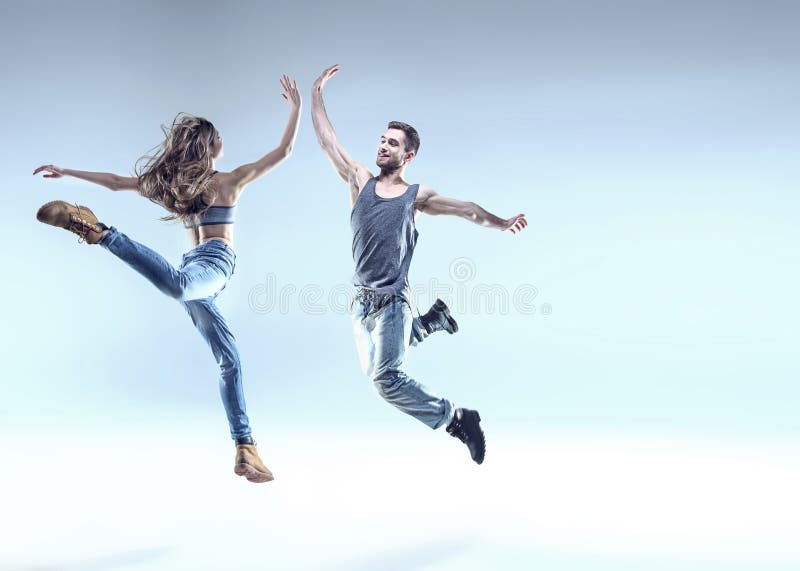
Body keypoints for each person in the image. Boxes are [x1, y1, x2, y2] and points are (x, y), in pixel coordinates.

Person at [34, 75, 302, 483]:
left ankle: (246, 448)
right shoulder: (229, 181)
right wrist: (296, 108)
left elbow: (116, 181)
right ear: (213, 146)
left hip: (196, 269)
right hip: (211, 266)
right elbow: (283, 152)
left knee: (228, 358)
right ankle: (102, 233)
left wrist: (68, 172)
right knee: (176, 285)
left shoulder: (175, 187)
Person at [311, 64, 527, 464]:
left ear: (407, 155)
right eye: (381, 141)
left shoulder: (415, 196)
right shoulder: (358, 180)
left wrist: (499, 223)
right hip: (360, 302)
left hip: (394, 301)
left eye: (392, 144)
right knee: (376, 366)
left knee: (385, 379)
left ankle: (458, 419)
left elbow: (465, 209)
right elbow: (328, 142)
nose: (382, 147)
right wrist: (317, 94)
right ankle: (431, 321)